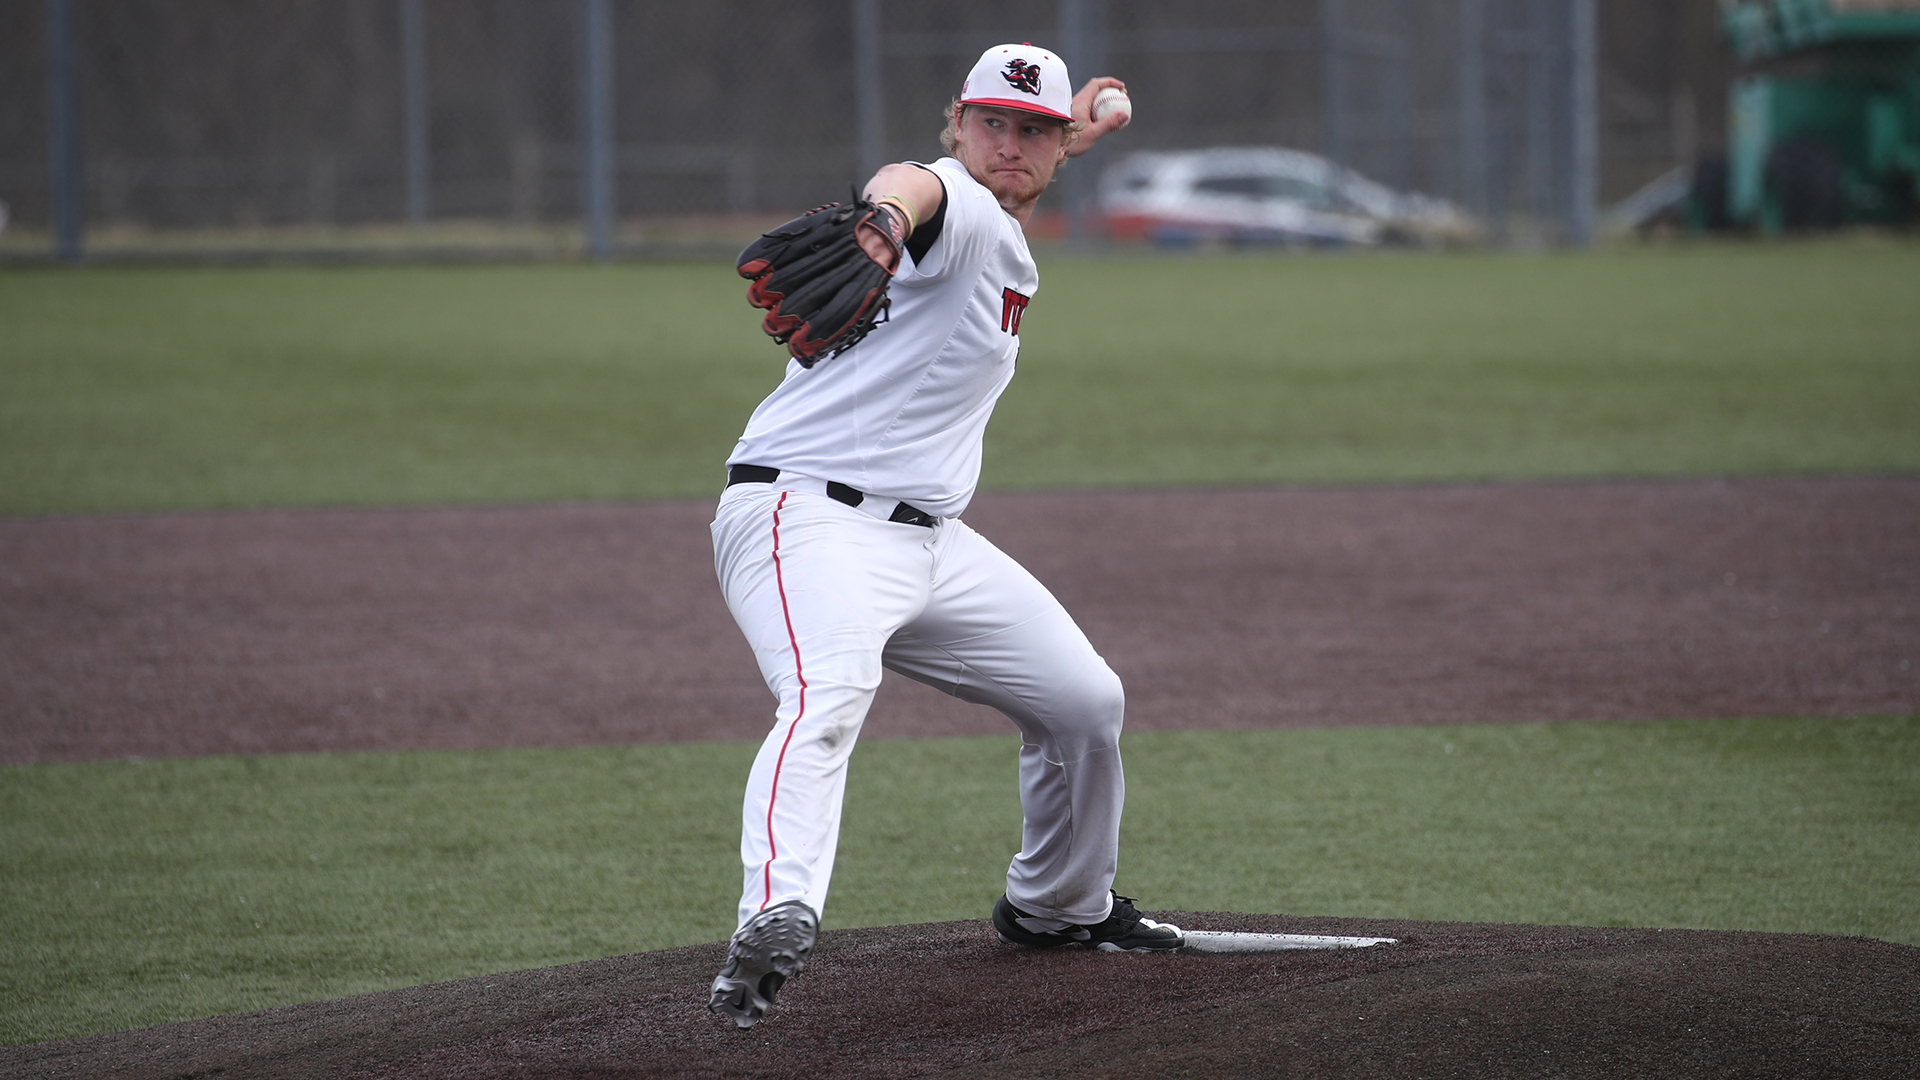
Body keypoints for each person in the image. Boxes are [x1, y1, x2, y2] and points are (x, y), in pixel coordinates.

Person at [707, 43, 1181, 1030]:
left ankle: (1055, 909)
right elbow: (914, 189)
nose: (1008, 144)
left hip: (929, 543)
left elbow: (1012, 178)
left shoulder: (1001, 213)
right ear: (957, 128)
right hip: (809, 520)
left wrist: (1075, 132)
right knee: (830, 695)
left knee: (1084, 703)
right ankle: (776, 911)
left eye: (1033, 132)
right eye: (990, 124)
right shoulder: (949, 204)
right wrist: (881, 220)